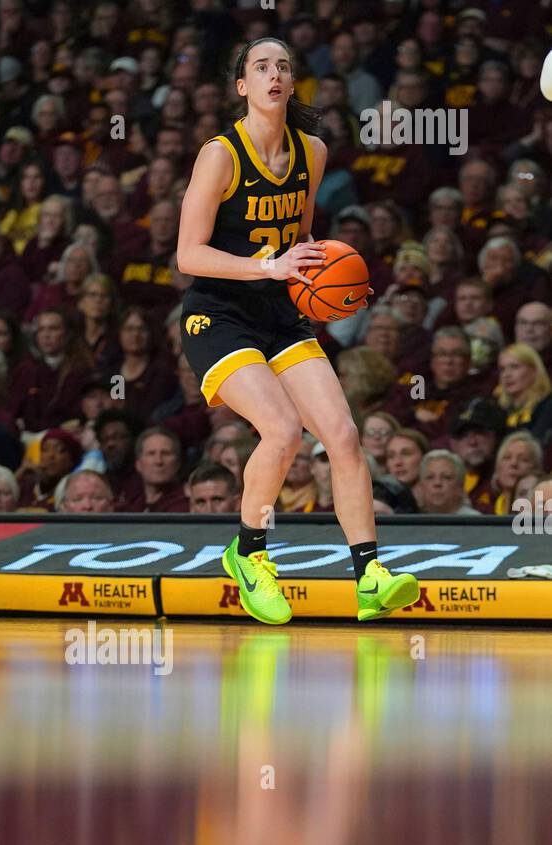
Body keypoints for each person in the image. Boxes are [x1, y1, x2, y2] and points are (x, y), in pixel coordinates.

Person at [176, 37, 419, 624]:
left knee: (342, 432)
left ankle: (370, 576)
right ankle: (249, 555)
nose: (275, 74)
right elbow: (188, 254)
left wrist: (325, 274)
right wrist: (270, 266)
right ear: (243, 86)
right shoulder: (220, 155)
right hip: (218, 313)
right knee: (282, 429)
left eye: (283, 65)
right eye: (261, 67)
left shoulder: (312, 150)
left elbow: (302, 243)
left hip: (278, 312)